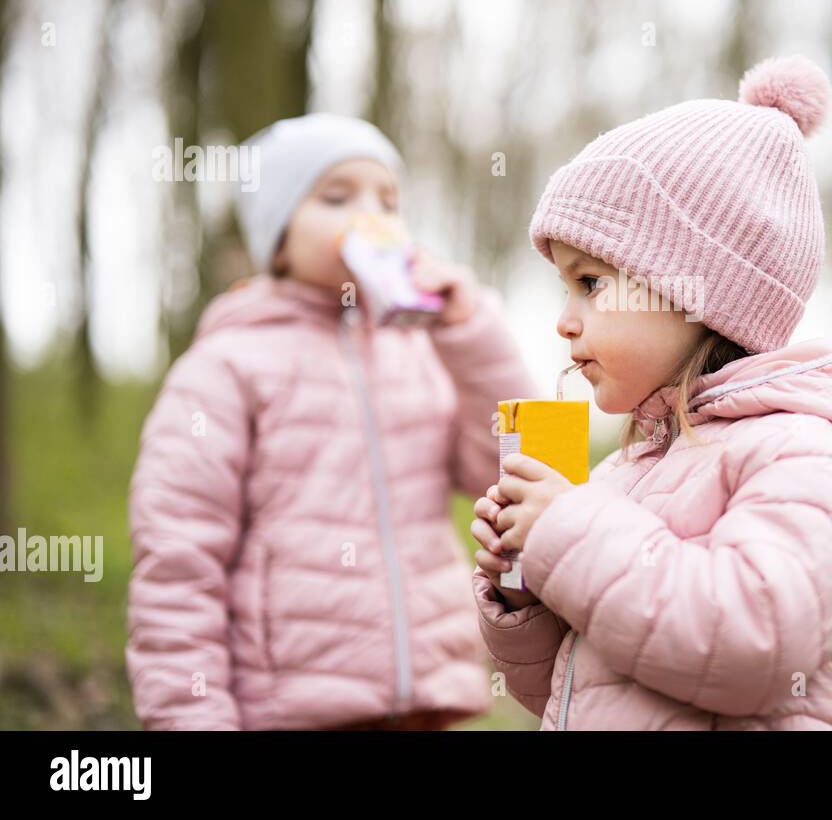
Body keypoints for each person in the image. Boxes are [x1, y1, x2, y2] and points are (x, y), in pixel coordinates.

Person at [469, 55, 832, 729]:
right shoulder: (625, 472)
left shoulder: (813, 453)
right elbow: (582, 689)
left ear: (695, 293)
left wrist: (566, 533)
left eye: (591, 283)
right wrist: (530, 588)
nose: (564, 321)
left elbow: (754, 642)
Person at [126, 113, 537, 729]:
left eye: (388, 201)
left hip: (427, 701)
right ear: (277, 238)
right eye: (337, 197)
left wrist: (472, 333)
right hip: (289, 708)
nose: (371, 216)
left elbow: (507, 466)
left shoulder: (419, 352)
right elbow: (178, 564)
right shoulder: (225, 367)